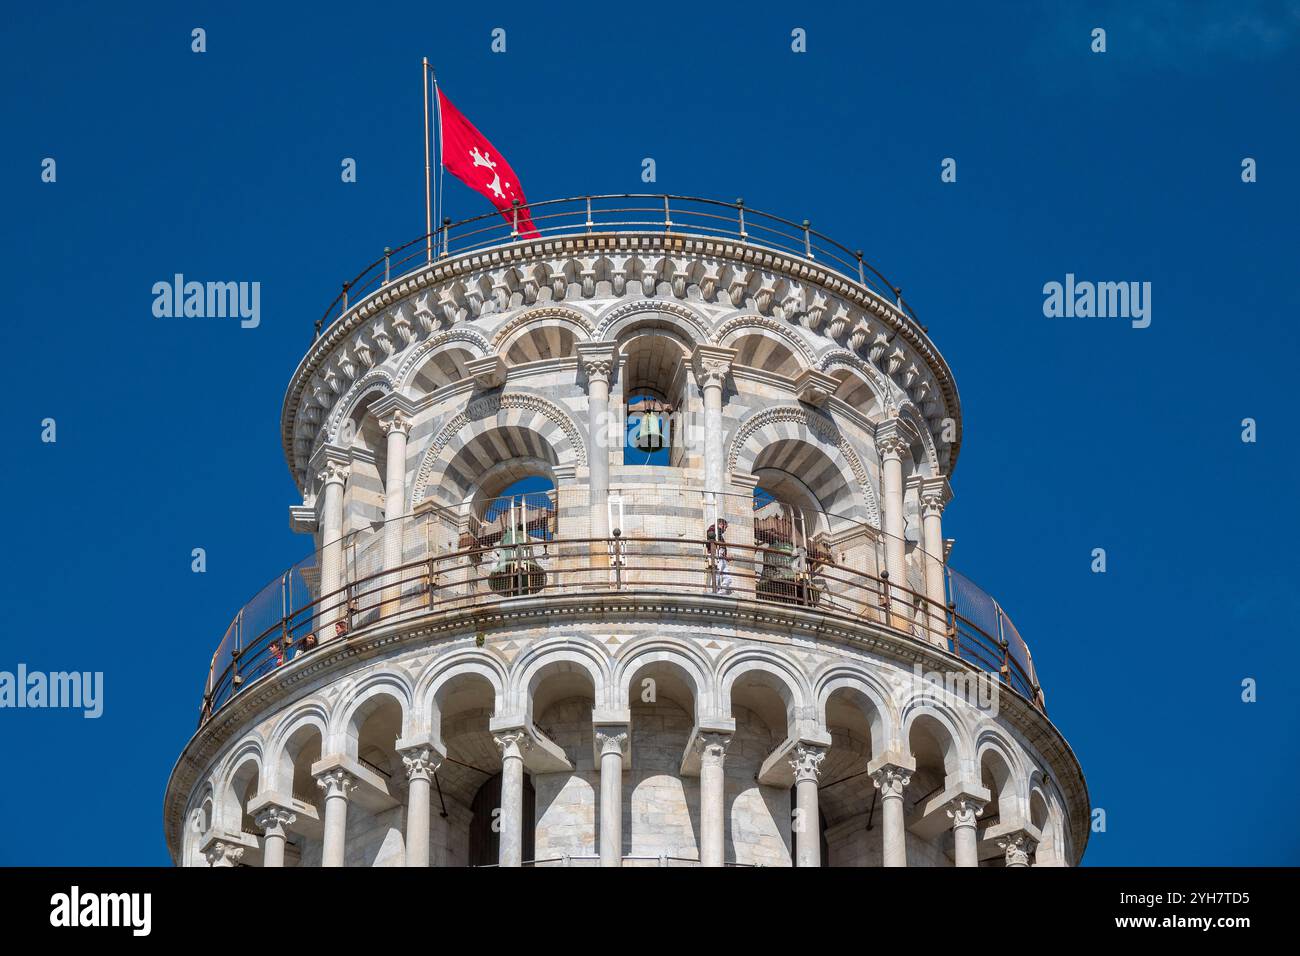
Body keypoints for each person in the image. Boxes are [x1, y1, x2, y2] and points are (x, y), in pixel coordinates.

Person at [705, 519, 734, 595]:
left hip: (721, 557)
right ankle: (713, 591)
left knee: (728, 578)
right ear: (721, 524)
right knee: (717, 573)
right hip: (716, 555)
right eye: (725, 527)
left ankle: (723, 591)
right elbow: (711, 534)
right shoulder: (713, 529)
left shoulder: (719, 535)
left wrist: (726, 557)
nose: (725, 529)